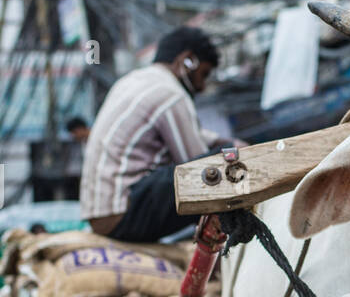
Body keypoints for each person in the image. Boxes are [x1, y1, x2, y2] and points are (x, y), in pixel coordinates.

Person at [80, 26, 241, 244]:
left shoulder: (134, 81)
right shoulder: (171, 94)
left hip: (103, 213)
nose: (202, 86)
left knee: (225, 153)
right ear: (187, 61)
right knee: (220, 170)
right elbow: (200, 166)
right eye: (203, 75)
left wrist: (228, 143)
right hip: (124, 213)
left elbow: (198, 136)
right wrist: (235, 151)